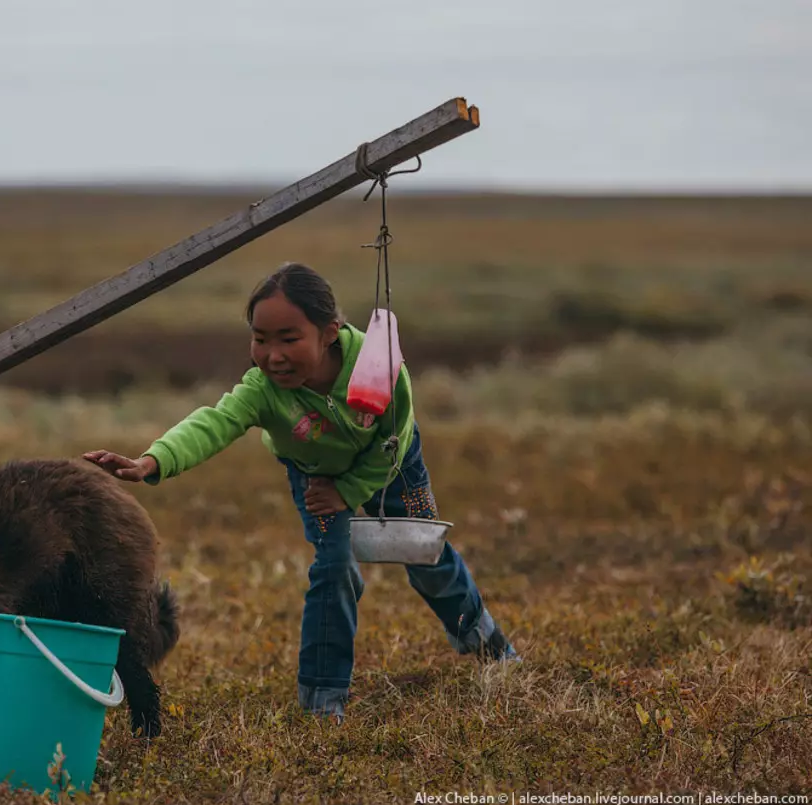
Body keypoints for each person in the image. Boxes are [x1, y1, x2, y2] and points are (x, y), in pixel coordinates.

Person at [83, 262, 519, 722]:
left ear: (329, 332)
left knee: (425, 553)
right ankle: (322, 699)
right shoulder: (263, 389)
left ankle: (486, 640)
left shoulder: (379, 367)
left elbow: (392, 438)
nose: (272, 356)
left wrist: (350, 489)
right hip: (315, 475)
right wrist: (152, 460)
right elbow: (213, 422)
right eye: (260, 339)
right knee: (335, 571)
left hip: (391, 464)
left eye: (288, 339)